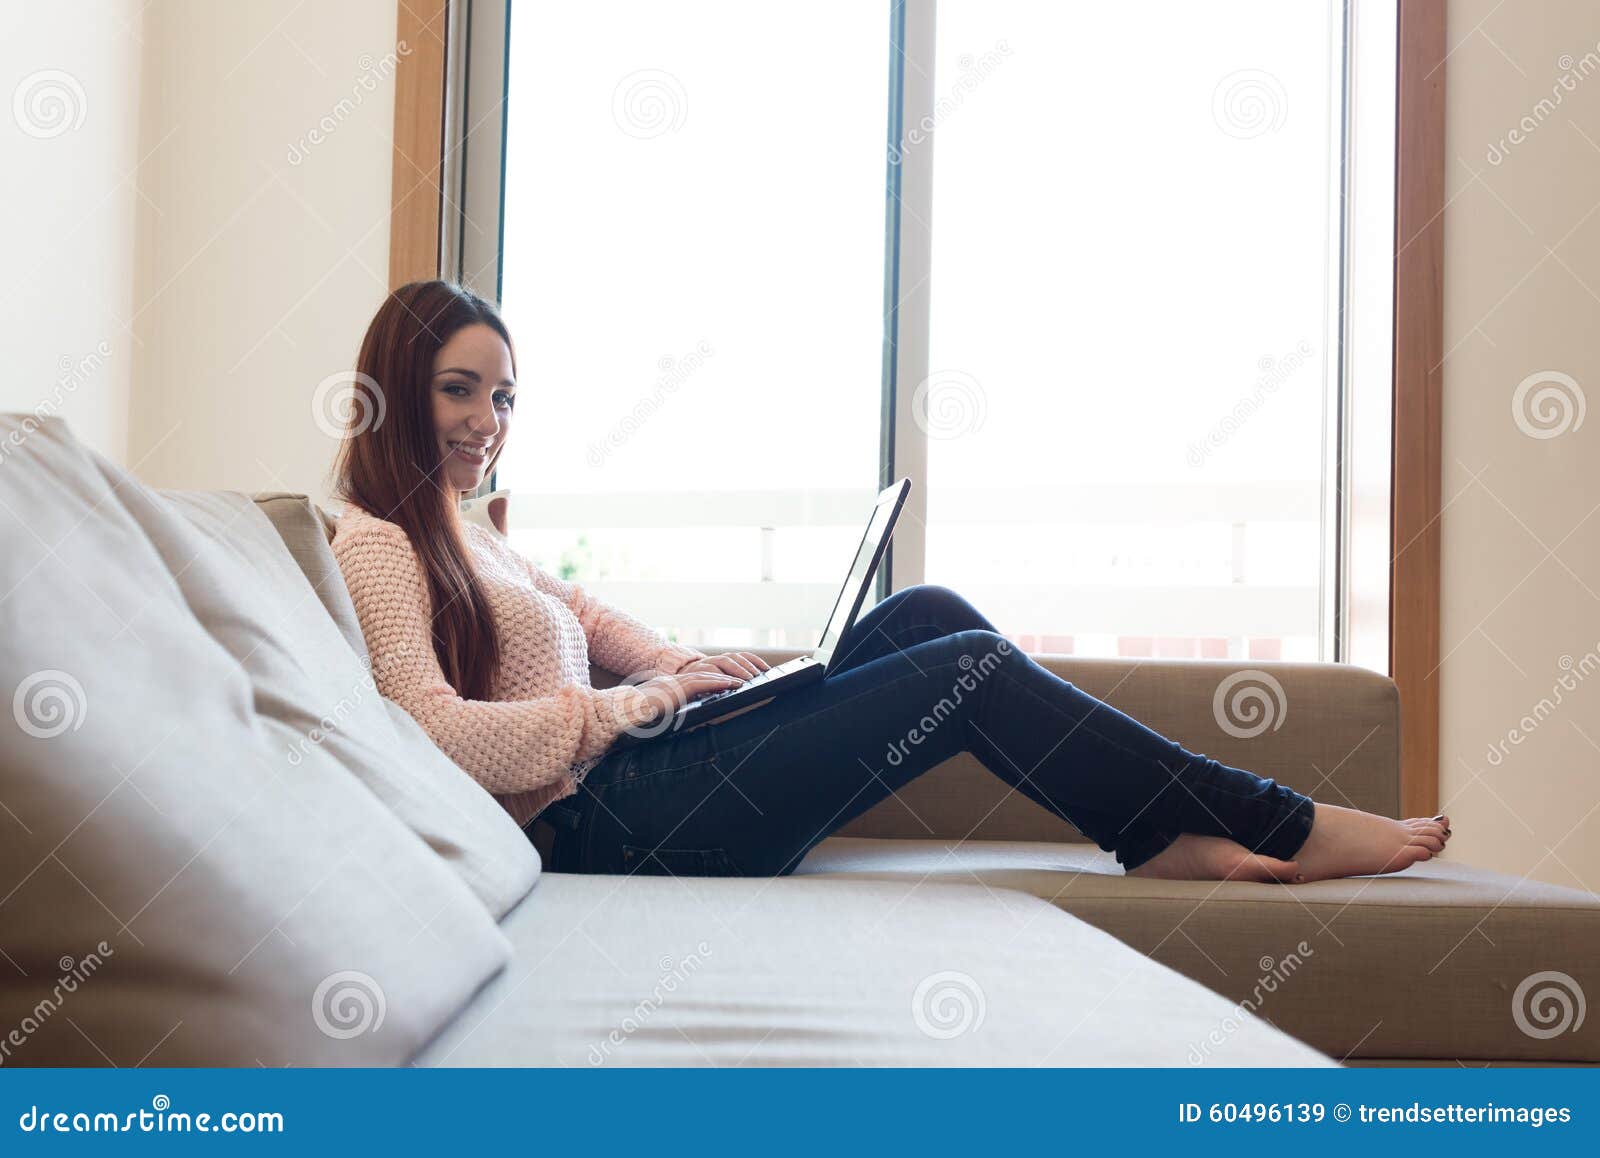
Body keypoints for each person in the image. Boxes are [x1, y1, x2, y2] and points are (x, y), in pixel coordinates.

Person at [328, 281, 1452, 884]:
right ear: (395, 392)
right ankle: (1283, 824)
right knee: (960, 670)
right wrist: (631, 709)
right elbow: (426, 733)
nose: (489, 423)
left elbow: (582, 616)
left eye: (506, 397)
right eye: (459, 391)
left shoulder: (470, 531)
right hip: (597, 825)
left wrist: (677, 666)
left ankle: (1153, 834)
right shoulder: (376, 543)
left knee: (923, 615)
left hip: (641, 772)